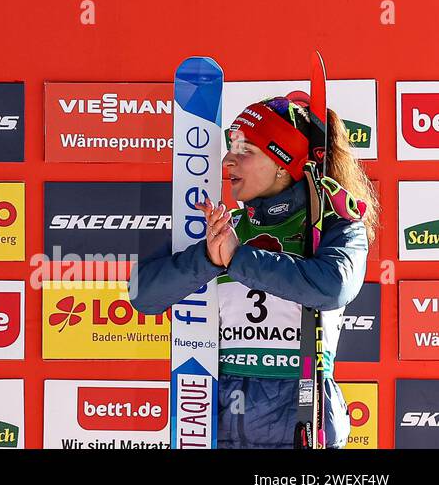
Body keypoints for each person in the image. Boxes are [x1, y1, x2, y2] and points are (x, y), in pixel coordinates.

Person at [130, 95, 375, 448]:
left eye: (245, 150)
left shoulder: (335, 227)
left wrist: (237, 259)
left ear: (283, 163)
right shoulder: (222, 228)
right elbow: (143, 295)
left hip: (304, 413)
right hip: (224, 414)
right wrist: (210, 259)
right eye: (231, 148)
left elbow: (333, 287)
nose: (228, 159)